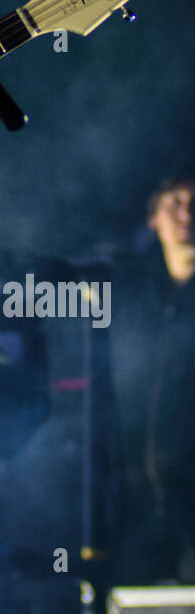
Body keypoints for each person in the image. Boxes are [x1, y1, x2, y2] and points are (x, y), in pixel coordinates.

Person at [109, 175, 195, 584]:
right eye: (174, 203)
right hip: (137, 502)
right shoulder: (131, 293)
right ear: (153, 219)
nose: (186, 214)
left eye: (193, 203)